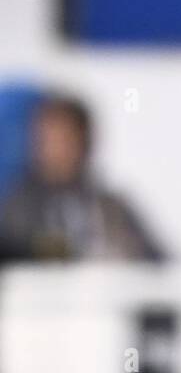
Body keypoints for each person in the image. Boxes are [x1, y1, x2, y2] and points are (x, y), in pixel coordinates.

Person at [0, 94, 163, 263]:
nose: (56, 150)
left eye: (65, 139)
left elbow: (156, 263)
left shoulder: (110, 206)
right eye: (48, 140)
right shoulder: (17, 206)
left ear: (85, 141)